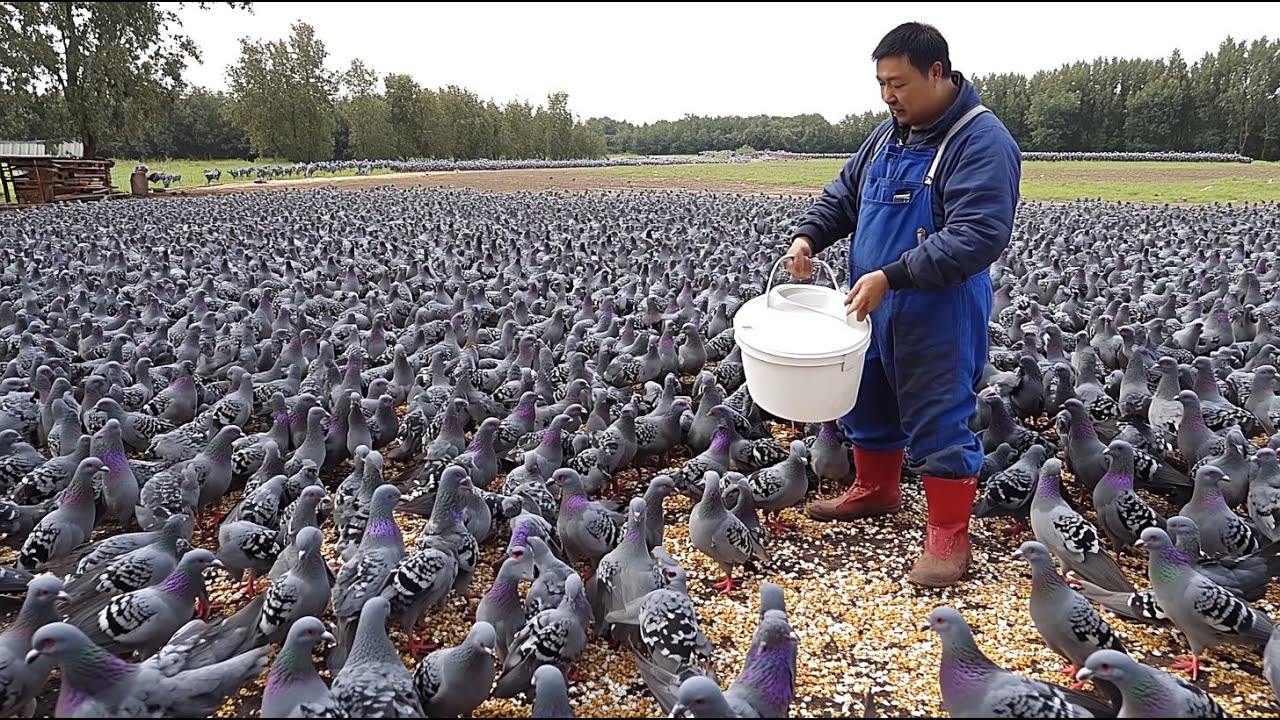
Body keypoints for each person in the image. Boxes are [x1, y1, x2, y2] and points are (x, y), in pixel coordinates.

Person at [784, 21, 1022, 588]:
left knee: (939, 412)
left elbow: (978, 234)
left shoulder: (980, 140)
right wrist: (809, 237)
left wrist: (892, 276)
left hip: (937, 307)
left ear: (936, 73)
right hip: (872, 301)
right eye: (881, 85)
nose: (889, 96)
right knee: (867, 397)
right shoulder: (887, 135)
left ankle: (948, 537)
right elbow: (845, 195)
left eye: (898, 84)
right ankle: (876, 488)